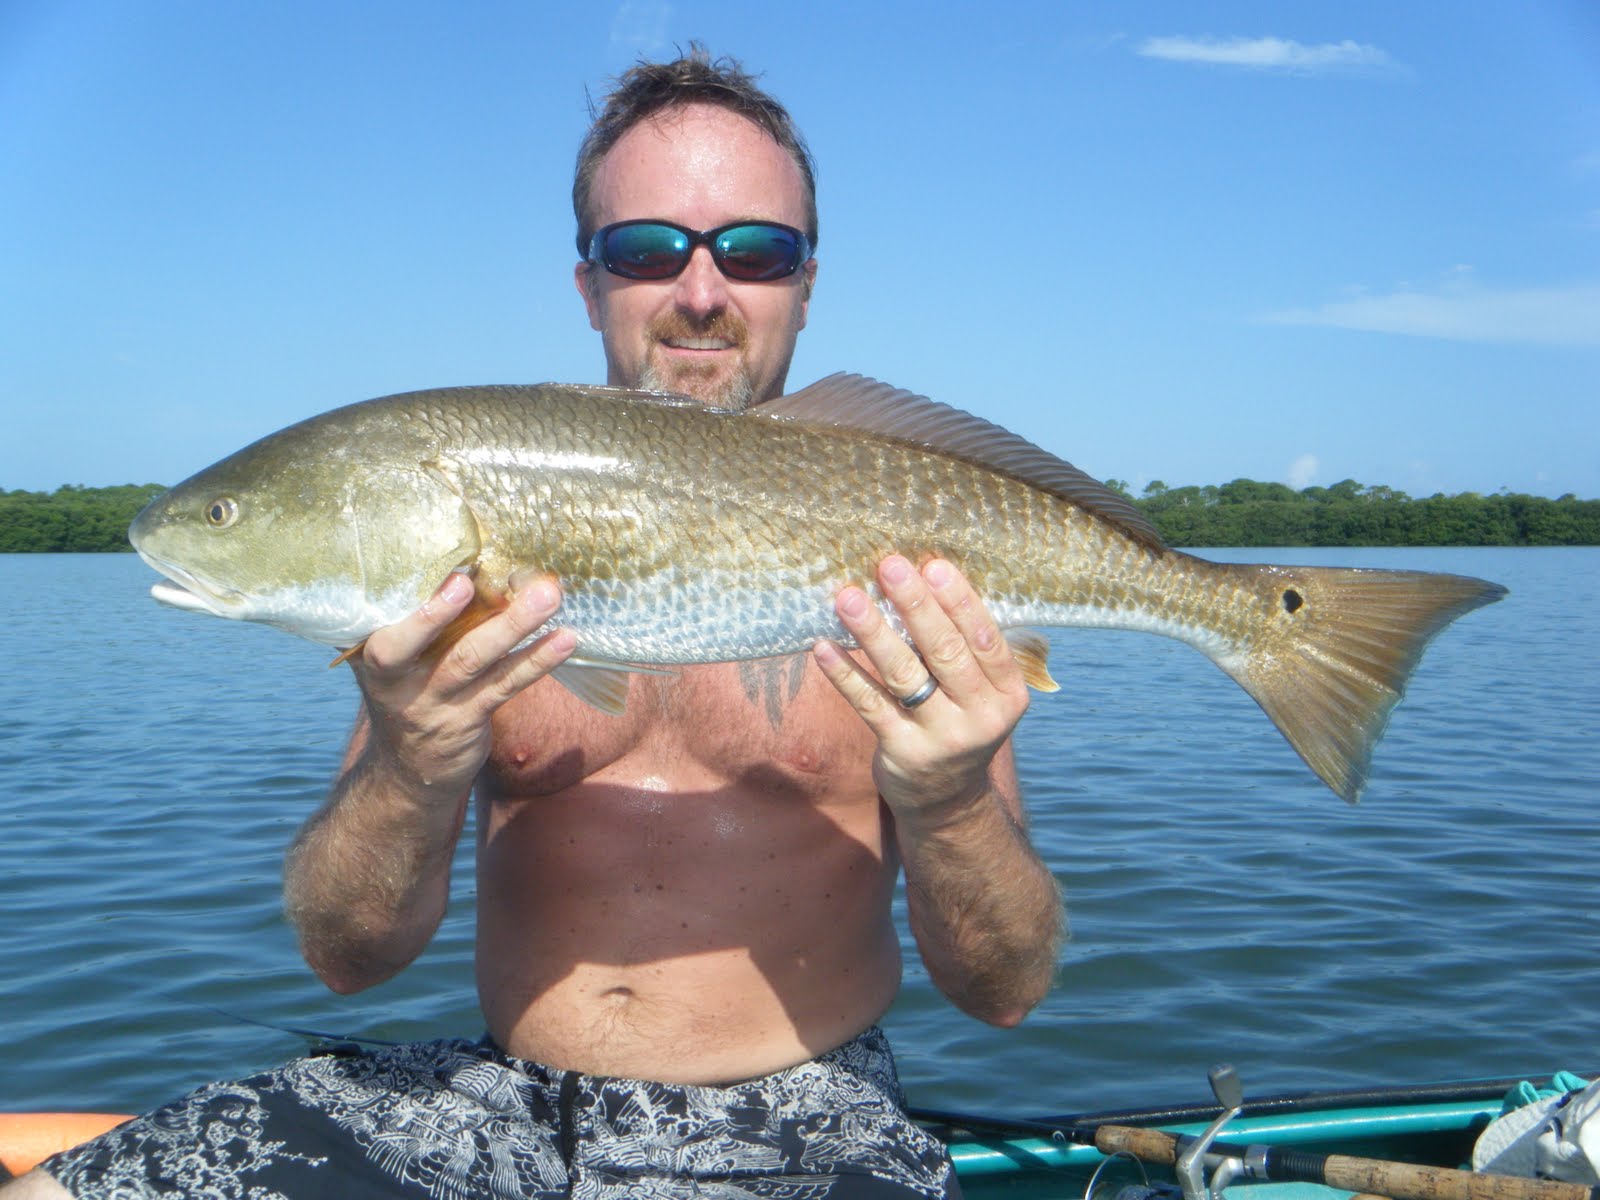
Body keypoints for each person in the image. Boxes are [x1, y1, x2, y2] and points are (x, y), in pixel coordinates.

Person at [15, 47, 1063, 1199]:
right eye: (647, 248)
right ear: (588, 283)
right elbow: (345, 957)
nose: (702, 291)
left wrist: (953, 797)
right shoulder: (444, 603)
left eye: (756, 251)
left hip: (806, 1115)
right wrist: (409, 763)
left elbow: (1004, 989)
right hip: (497, 1101)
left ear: (807, 285)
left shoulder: (906, 547)